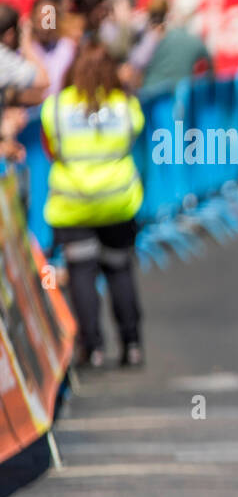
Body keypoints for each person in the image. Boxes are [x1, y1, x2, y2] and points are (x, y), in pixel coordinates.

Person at [40, 37, 145, 369]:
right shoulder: (125, 107)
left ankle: (93, 348)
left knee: (82, 275)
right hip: (117, 204)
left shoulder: (55, 108)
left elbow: (53, 149)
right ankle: (131, 344)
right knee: (119, 270)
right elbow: (134, 135)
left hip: (74, 206)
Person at [141, 0, 212, 92]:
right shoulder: (196, 41)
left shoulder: (159, 34)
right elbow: (211, 72)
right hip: (175, 95)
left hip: (150, 91)